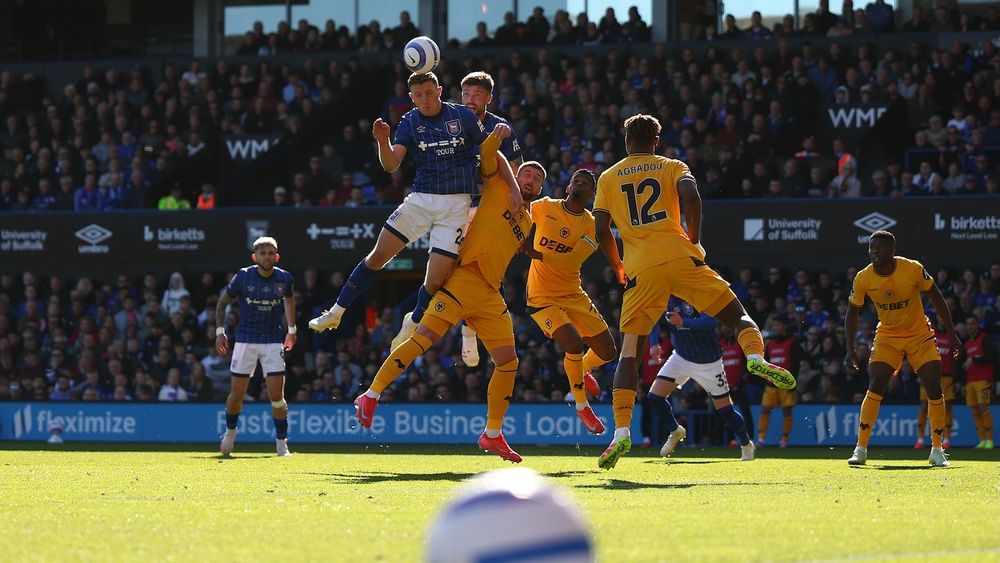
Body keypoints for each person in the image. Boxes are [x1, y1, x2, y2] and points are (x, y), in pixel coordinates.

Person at [592, 114, 795, 470]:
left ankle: (621, 432)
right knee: (738, 317)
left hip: (641, 269)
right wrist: (695, 239)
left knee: (629, 354)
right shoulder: (671, 165)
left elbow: (601, 229)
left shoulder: (608, 177)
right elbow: (692, 195)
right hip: (681, 257)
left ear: (626, 142)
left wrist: (618, 265)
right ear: (656, 141)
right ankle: (755, 358)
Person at [353, 126, 537, 463]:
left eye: (536, 179)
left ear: (540, 189)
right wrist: (501, 153)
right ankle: (371, 395)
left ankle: (492, 434)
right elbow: (491, 154)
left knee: (509, 362)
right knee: (424, 339)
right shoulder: (498, 185)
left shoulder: (529, 223)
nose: (529, 179)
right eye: (525, 173)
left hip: (489, 293)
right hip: (463, 279)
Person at [308, 72, 522, 347]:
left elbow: (493, 152)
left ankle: (412, 321)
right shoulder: (410, 121)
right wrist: (383, 142)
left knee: (434, 282)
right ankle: (336, 312)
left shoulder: (463, 117)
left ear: (440, 91)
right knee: (377, 257)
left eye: (429, 93)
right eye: (418, 95)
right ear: (411, 98)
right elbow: (390, 165)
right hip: (420, 201)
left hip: (456, 207)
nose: (425, 100)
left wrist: (514, 188)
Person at [845, 230, 960, 466]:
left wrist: (952, 333)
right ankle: (861, 448)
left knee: (933, 387)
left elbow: (937, 298)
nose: (873, 252)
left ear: (891, 250)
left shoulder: (913, 268)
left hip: (920, 334)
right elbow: (852, 312)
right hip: (887, 335)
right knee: (876, 384)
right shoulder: (863, 277)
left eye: (879, 248)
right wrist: (850, 348)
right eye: (871, 248)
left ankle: (937, 450)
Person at [523, 169, 619, 434]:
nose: (579, 184)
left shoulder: (591, 225)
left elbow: (571, 260)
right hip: (541, 297)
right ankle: (581, 405)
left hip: (572, 293)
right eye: (575, 180)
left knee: (609, 352)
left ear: (591, 194)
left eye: (585, 183)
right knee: (574, 343)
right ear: (567, 187)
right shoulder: (543, 207)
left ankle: (582, 371)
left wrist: (537, 254)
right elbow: (517, 216)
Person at [458, 71, 523, 368]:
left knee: (482, 269)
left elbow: (514, 166)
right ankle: (425, 318)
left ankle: (469, 331)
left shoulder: (500, 127)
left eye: (477, 95)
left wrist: (510, 190)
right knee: (451, 265)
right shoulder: (450, 120)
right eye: (467, 94)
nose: (471, 100)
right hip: (456, 200)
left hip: (488, 206)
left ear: (488, 99)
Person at [646, 296, 756, 461]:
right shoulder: (666, 297)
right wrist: (654, 343)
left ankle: (746, 444)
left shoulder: (698, 292)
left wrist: (684, 322)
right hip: (681, 357)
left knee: (726, 410)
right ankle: (675, 431)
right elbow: (652, 319)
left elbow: (711, 321)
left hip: (709, 362)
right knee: (654, 397)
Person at [215, 236, 297, 457]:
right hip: (245, 340)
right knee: (237, 394)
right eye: (262, 253)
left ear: (277, 257)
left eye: (271, 253)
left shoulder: (285, 278)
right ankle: (230, 433)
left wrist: (292, 330)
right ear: (254, 257)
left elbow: (289, 300)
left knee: (276, 396)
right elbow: (223, 302)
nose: (267, 257)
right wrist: (219, 331)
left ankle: (282, 444)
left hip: (272, 340)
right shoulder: (243, 277)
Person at [757, 316, 803, 448]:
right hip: (770, 384)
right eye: (774, 325)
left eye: (778, 325)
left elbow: (796, 364)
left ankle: (784, 440)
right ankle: (761, 440)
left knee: (787, 411)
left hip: (786, 385)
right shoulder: (769, 344)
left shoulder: (792, 342)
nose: (775, 328)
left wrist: (793, 383)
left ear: (784, 327)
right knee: (764, 410)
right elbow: (765, 364)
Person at [915, 319, 957, 449]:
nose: (941, 321)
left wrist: (957, 379)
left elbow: (955, 361)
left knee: (947, 407)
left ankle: (947, 439)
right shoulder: (930, 336)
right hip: (929, 375)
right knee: (924, 406)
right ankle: (920, 439)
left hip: (947, 377)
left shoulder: (951, 337)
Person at [962, 315, 995, 448]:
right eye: (968, 324)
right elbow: (964, 365)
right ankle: (982, 440)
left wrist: (974, 359)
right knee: (975, 411)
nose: (970, 326)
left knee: (983, 409)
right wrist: (963, 382)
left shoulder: (985, 339)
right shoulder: (967, 342)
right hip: (970, 381)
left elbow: (991, 357)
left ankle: (990, 440)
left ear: (977, 325)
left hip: (983, 380)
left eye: (972, 323)